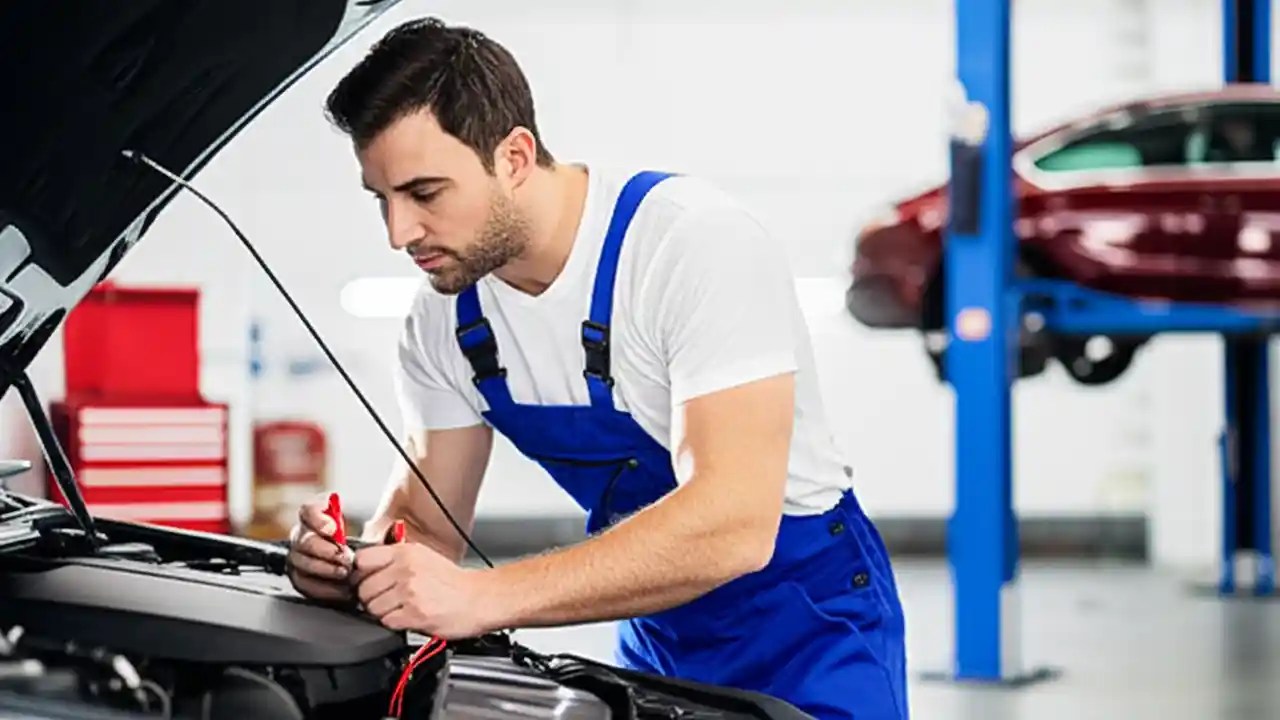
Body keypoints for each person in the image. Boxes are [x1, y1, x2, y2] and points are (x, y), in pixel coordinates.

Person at [284, 16, 908, 720]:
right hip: (657, 638)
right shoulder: (445, 320)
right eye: (382, 199)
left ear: (514, 157)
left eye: (425, 194)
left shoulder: (691, 246)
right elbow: (426, 527)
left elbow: (734, 524)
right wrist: (358, 566)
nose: (399, 233)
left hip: (809, 632)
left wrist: (483, 597)